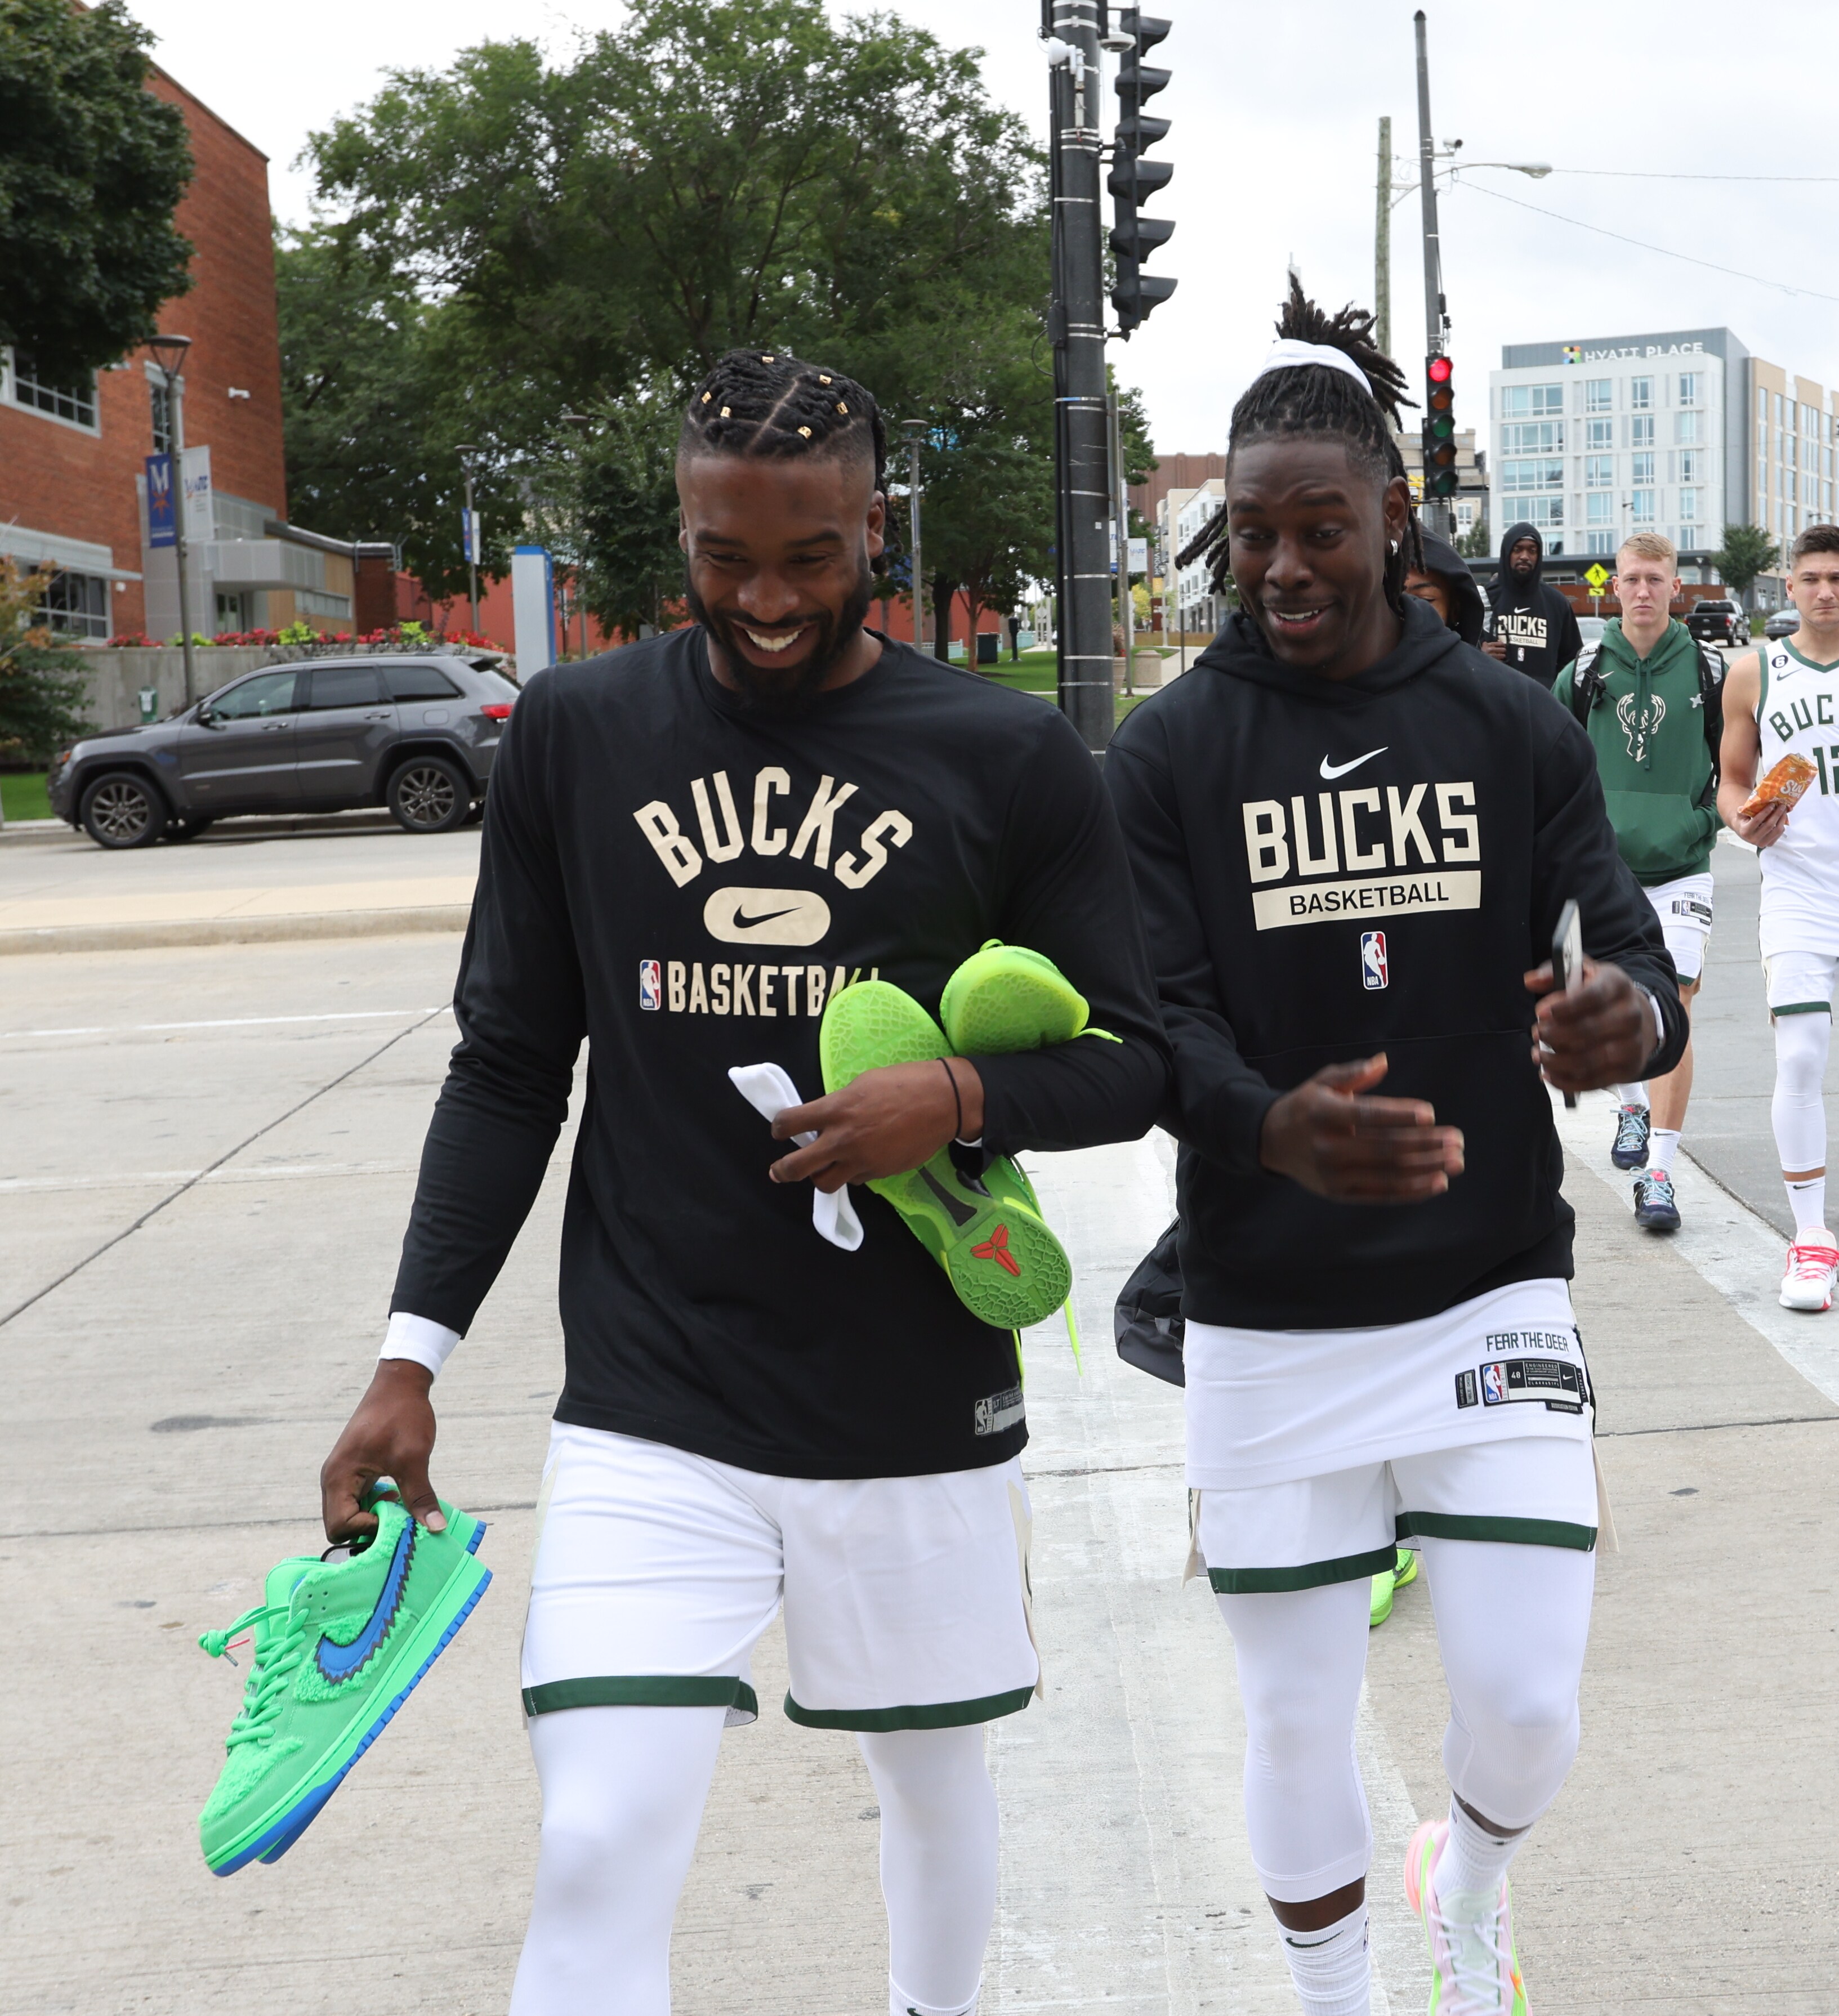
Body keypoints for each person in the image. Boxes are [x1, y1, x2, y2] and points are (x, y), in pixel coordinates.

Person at [315, 348, 1168, 2016]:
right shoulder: (575, 731)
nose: (765, 598)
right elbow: (505, 1064)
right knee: (598, 1835)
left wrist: (963, 1091)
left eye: (807, 555)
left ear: (875, 523)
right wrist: (410, 1353)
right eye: (724, 556)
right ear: (680, 530)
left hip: (908, 1393)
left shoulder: (1004, 756)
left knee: (927, 1788)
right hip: (653, 1390)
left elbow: (1136, 1059)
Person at [1106, 283, 1685, 2016]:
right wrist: (1260, 1120)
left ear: (1391, 521)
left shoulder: (1505, 726)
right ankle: (1334, 1995)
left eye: (1320, 530)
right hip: (1268, 1311)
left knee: (1523, 1700)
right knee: (1290, 1706)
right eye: (1253, 537)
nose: (1281, 569)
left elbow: (1628, 962)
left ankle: (1469, 1877)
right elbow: (1157, 1022)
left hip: (1481, 1280)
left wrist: (1619, 1025)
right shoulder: (1165, 753)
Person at [1555, 530, 1725, 1233]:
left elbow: (1732, 767)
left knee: (1672, 1007)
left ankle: (1658, 1171)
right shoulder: (1584, 671)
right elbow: (1552, 768)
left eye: (1656, 579)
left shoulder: (1713, 670)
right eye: (1631, 579)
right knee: (1606, 1002)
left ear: (1675, 588)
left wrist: (1698, 825)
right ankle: (1630, 1105)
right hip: (1604, 874)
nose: (1644, 591)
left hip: (1682, 869)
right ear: (1613, 587)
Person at [1718, 522, 1839, 1311]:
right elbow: (1729, 781)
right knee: (1799, 1055)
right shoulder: (1751, 670)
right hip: (1796, 890)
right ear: (1786, 587)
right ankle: (1809, 1238)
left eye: (1838, 577)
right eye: (1812, 578)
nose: (1826, 591)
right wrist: (1740, 821)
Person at [1484, 521, 1583, 685]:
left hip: (1542, 705)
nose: (1525, 556)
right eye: (1517, 550)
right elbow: (1460, 652)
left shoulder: (1557, 603)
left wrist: (1554, 690)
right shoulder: (1485, 599)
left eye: (1532, 551)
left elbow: (1573, 661)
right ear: (1507, 553)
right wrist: (1480, 655)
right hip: (1494, 703)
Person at [1403, 527, 1487, 647]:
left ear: (1455, 611)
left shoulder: (1473, 666)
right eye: (1392, 600)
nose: (1406, 612)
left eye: (1425, 599)